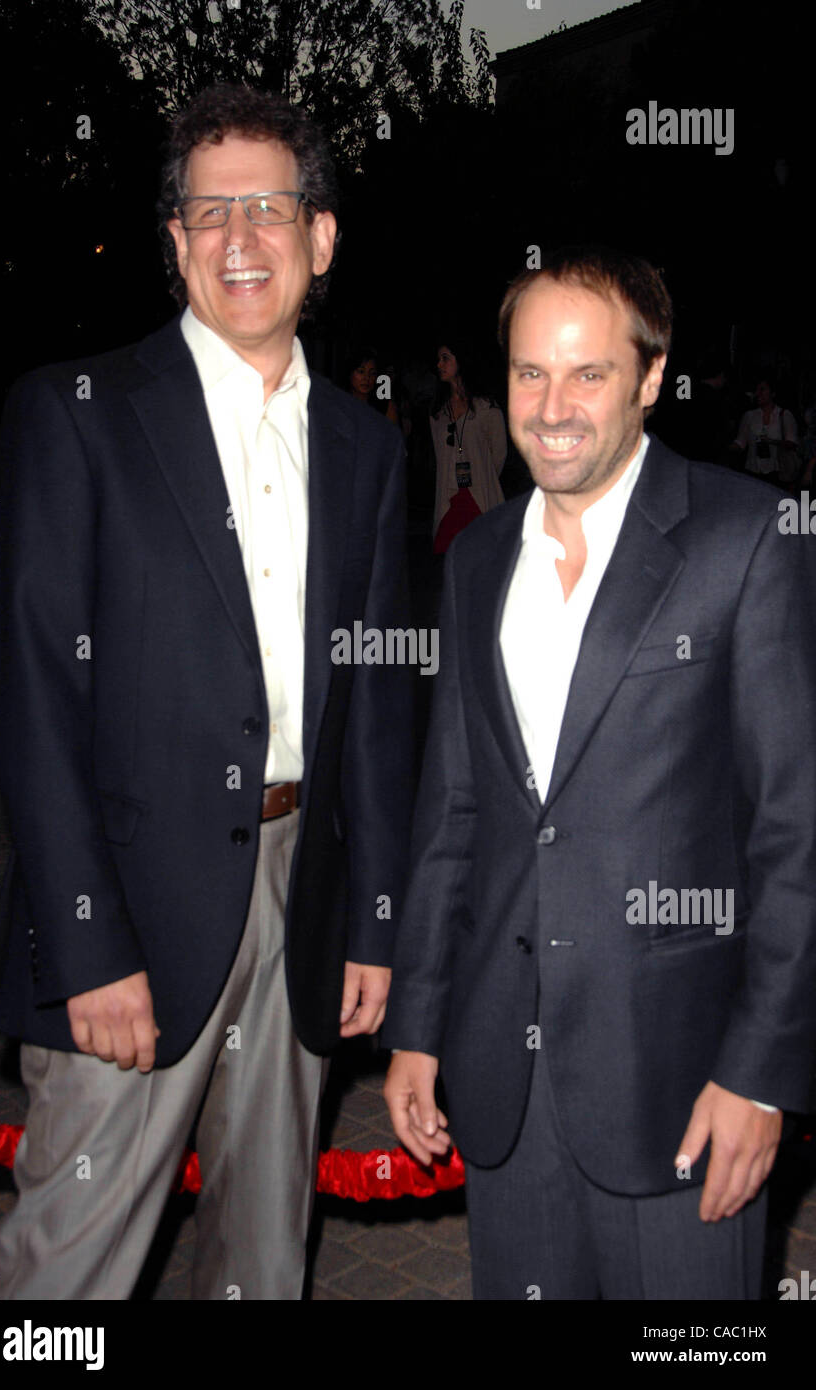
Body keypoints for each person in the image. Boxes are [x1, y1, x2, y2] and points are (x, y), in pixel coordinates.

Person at [0, 82, 414, 1300]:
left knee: (267, 1251)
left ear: (319, 239)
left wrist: (372, 917)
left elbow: (374, 702)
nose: (239, 239)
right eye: (208, 213)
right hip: (129, 894)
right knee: (67, 1264)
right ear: (173, 242)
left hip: (301, 892)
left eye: (268, 208)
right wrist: (84, 943)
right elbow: (31, 699)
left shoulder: (369, 446)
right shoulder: (74, 416)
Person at [383, 246, 816, 1300]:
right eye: (530, 372)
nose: (552, 404)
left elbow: (792, 833)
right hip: (501, 1077)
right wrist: (415, 1029)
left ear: (650, 376)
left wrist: (758, 1072)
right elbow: (451, 813)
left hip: (676, 1076)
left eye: (588, 372)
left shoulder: (741, 537)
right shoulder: (477, 559)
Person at [430, 342, 507, 553]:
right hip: (449, 499)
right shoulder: (438, 412)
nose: (439, 364)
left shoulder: (486, 409)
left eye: (445, 358)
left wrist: (483, 478)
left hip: (479, 498)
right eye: (439, 359)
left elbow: (498, 455)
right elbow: (440, 456)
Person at [731, 375, 799, 487]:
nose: (758, 393)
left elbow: (792, 443)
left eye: (762, 389)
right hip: (752, 471)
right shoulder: (749, 416)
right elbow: (740, 442)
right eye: (757, 390)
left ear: (773, 393)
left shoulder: (784, 415)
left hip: (776, 473)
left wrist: (771, 441)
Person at [344, 343, 399, 425]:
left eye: (372, 373)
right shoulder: (339, 403)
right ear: (350, 373)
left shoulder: (385, 407)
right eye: (361, 371)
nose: (367, 378)